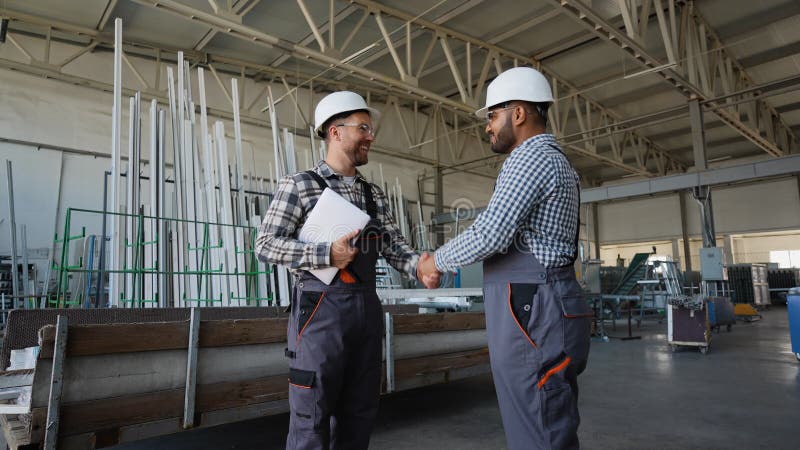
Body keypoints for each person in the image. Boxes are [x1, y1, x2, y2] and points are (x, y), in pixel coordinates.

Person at [418, 67, 592, 450]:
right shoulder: (555, 161)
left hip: (535, 310)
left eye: (492, 116)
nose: (487, 128)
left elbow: (489, 234)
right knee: (541, 420)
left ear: (518, 114)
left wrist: (432, 264)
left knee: (538, 428)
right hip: (544, 304)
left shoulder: (529, 159)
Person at [256, 90, 439, 450]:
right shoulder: (300, 185)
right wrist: (326, 253)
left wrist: (419, 267)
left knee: (359, 413)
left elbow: (391, 244)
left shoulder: (374, 195)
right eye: (363, 128)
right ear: (335, 132)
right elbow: (265, 244)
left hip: (364, 312)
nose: (370, 136)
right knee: (312, 415)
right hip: (318, 315)